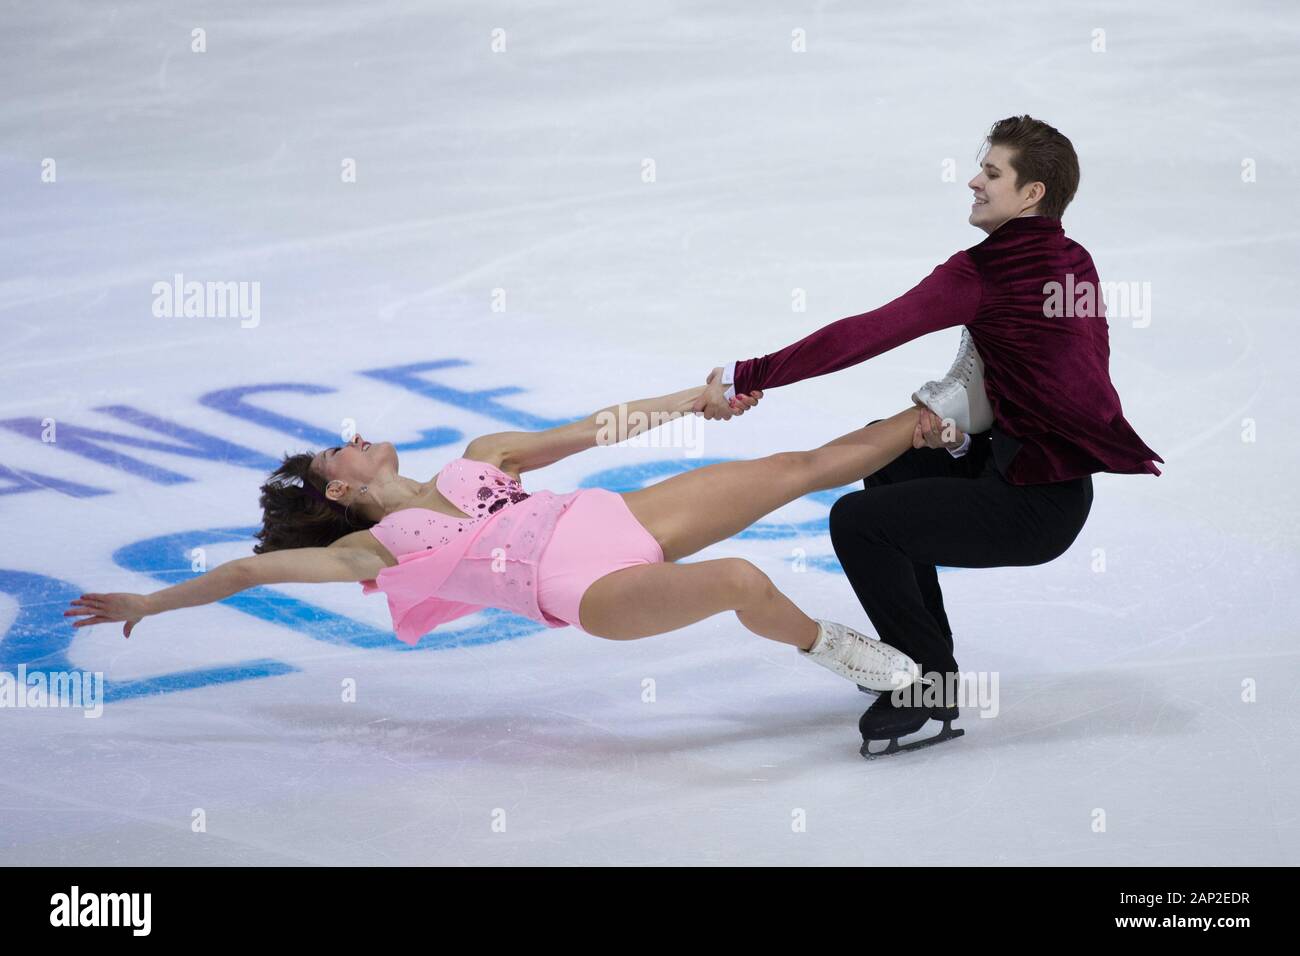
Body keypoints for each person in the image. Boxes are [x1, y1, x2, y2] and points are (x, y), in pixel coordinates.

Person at [693, 115, 1164, 758]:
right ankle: (927, 661)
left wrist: (755, 374)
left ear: (1031, 194)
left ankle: (928, 684)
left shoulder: (984, 272)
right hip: (1040, 477)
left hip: (1033, 503)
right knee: (889, 460)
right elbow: (1056, 376)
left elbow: (863, 335)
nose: (973, 181)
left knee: (858, 522)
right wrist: (964, 438)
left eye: (992, 173)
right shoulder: (1070, 259)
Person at [64, 385, 969, 697]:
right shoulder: (371, 552)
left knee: (797, 464)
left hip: (624, 520)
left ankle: (939, 413)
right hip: (591, 595)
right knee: (738, 579)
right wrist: (150, 601)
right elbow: (243, 570)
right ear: (339, 488)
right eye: (338, 447)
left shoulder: (480, 456)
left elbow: (596, 429)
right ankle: (841, 652)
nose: (355, 433)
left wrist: (694, 400)